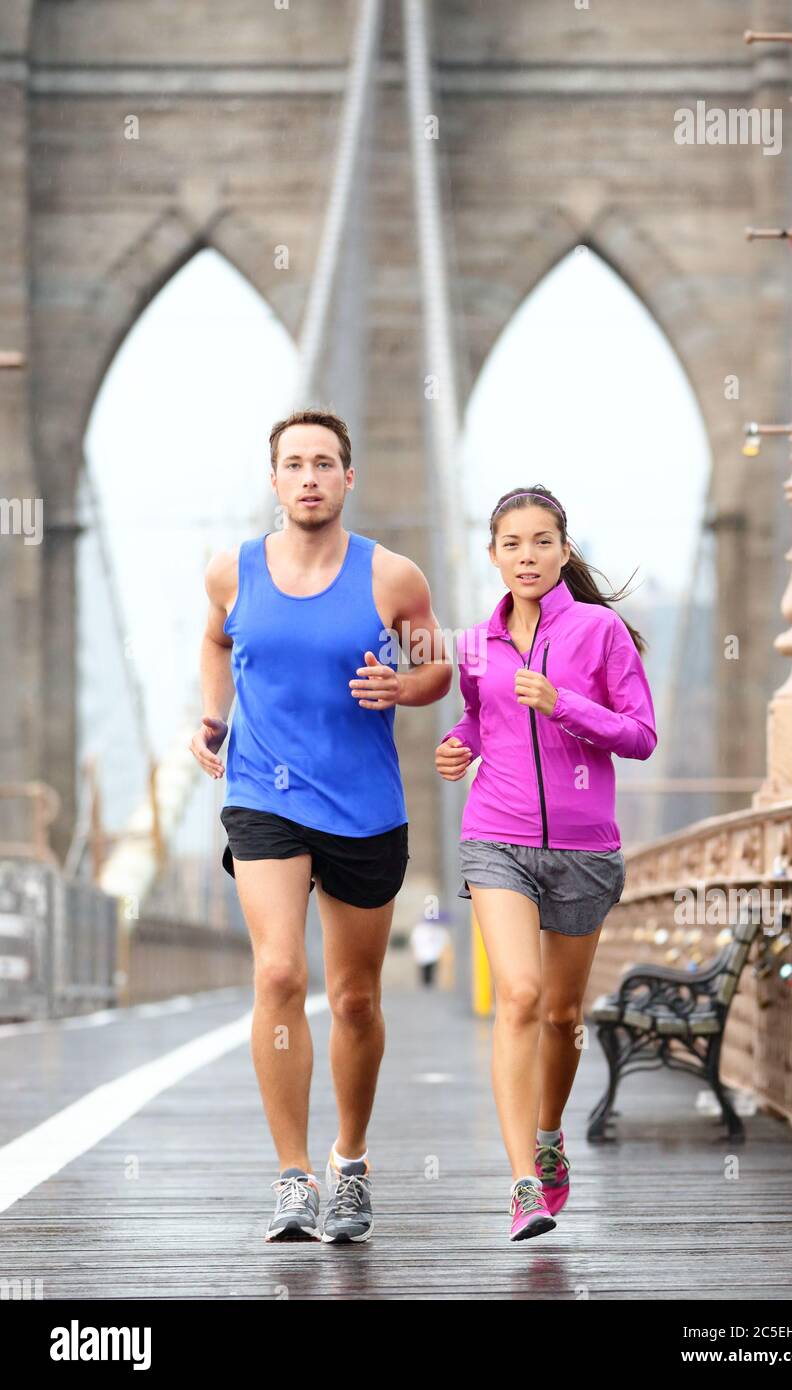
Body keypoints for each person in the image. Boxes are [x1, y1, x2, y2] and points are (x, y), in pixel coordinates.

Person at [189, 408, 451, 1244]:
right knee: (277, 975)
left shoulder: (393, 577)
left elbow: (437, 665)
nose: (309, 476)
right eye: (293, 463)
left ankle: (351, 1161)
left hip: (364, 806)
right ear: (274, 481)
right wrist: (212, 717)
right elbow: (213, 641)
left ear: (347, 478)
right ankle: (292, 1176)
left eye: (324, 463)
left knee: (356, 997)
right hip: (262, 791)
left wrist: (403, 690)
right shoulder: (232, 569)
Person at [435, 485, 657, 1242]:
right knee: (521, 997)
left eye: (540, 542)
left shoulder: (598, 632)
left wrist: (562, 702)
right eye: (511, 543)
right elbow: (477, 714)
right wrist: (458, 745)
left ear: (564, 549)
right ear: (492, 553)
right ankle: (524, 1182)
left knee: (562, 1016)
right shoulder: (474, 644)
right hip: (496, 836)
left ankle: (550, 1135)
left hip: (584, 850)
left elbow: (639, 735)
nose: (525, 556)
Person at [409, 912, 451, 987]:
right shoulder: (421, 929)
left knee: (431, 970)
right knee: (426, 971)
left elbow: (443, 940)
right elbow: (416, 940)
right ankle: (426, 984)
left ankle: (429, 984)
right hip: (424, 954)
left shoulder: (437, 929)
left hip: (433, 954)